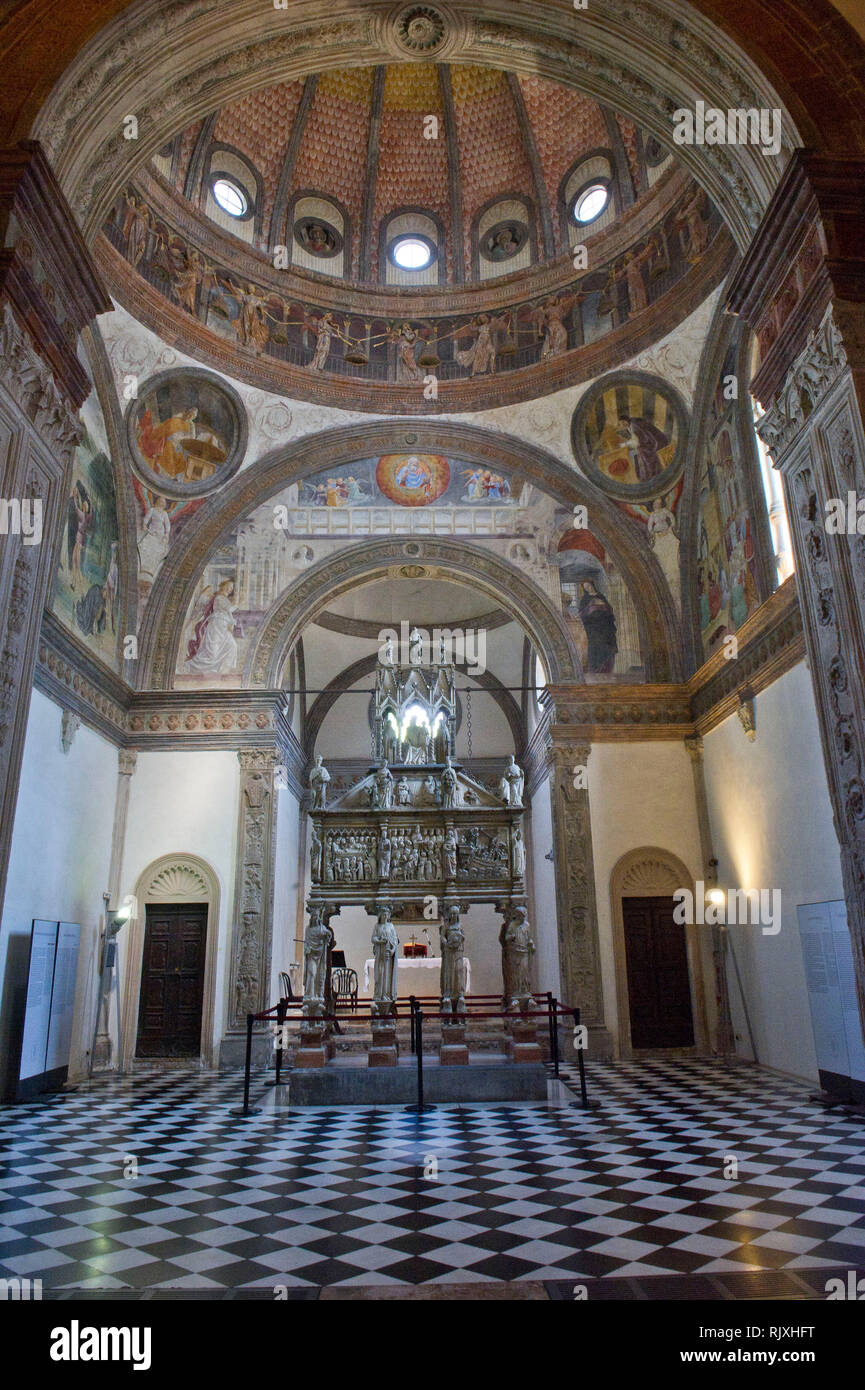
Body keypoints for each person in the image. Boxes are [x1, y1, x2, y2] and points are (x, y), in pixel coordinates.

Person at [578, 580, 618, 674]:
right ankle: (596, 669)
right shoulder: (585, 598)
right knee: (596, 646)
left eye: (589, 586)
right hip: (593, 627)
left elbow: (610, 610)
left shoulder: (601, 596)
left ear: (592, 585)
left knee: (607, 647)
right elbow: (581, 613)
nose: (588, 588)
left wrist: (602, 604)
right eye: (586, 587)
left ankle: (607, 669)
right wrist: (592, 605)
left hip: (605, 626)